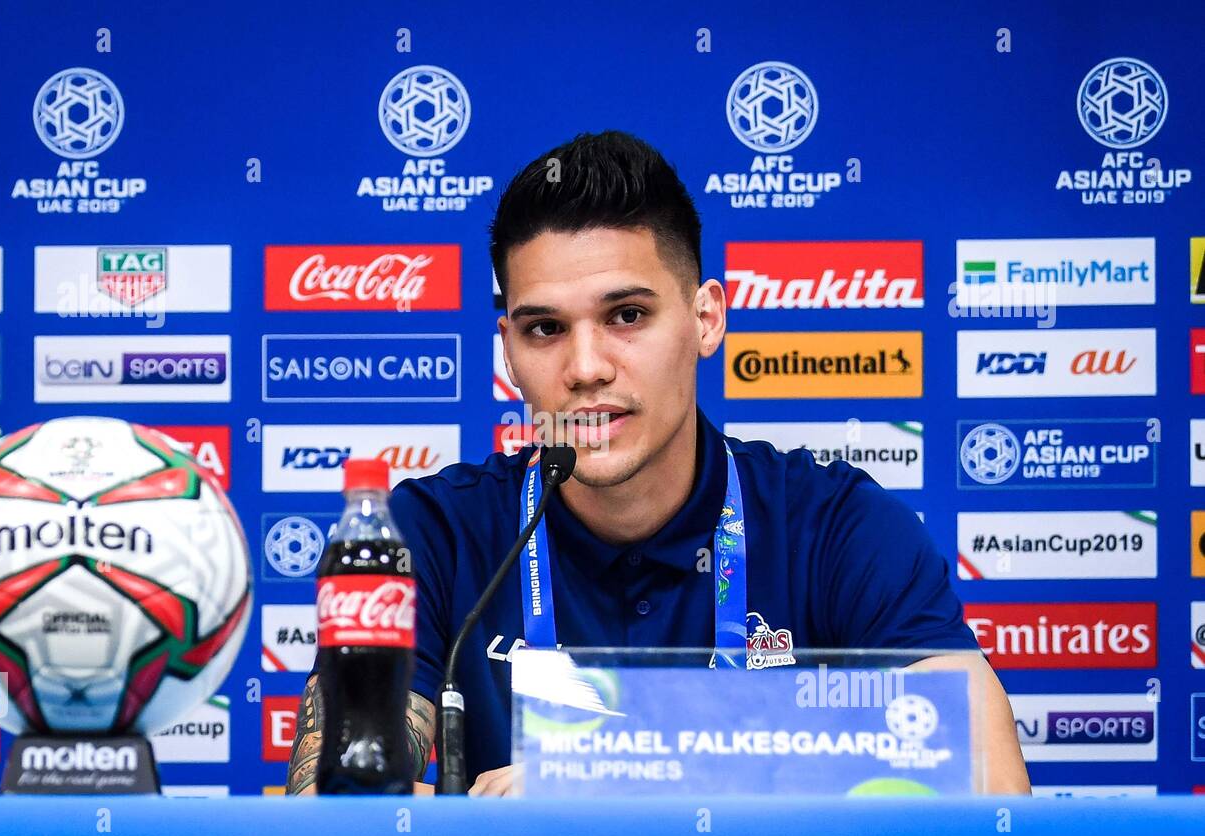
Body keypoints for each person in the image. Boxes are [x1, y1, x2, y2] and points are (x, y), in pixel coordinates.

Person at [288, 130, 1030, 797]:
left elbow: (987, 782)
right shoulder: (431, 534)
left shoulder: (837, 525)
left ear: (706, 318)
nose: (585, 367)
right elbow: (334, 799)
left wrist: (609, 785)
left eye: (627, 316)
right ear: (507, 349)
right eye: (545, 328)